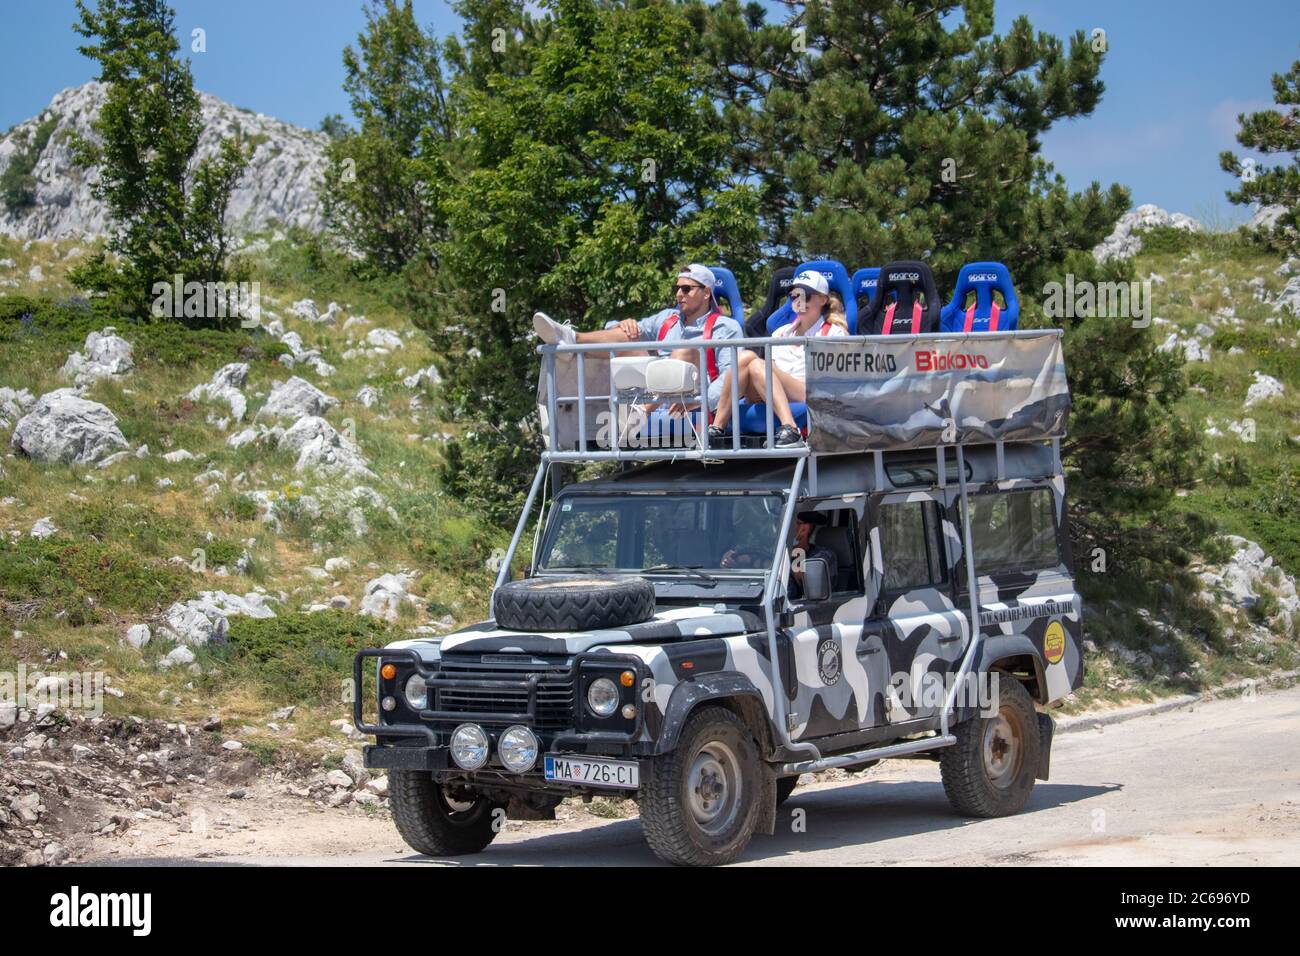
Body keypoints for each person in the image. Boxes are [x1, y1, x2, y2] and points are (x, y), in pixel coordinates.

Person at [532, 264, 742, 413]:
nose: (679, 294)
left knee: (683, 351)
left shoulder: (726, 327)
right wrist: (621, 324)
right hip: (654, 388)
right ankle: (572, 338)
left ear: (706, 293)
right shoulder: (667, 318)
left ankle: (643, 412)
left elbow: (731, 374)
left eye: (686, 288)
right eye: (677, 288)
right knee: (629, 336)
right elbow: (618, 334)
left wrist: (703, 402)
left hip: (693, 394)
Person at [707, 269, 848, 448]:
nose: (799, 300)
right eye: (795, 295)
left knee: (756, 363)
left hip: (811, 391)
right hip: (771, 390)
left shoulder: (834, 333)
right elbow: (769, 373)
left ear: (823, 300)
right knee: (746, 358)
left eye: (807, 296)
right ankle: (717, 429)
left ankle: (790, 428)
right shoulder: (780, 333)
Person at [788, 511, 838, 599]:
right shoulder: (773, 556)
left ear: (805, 529)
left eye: (796, 523)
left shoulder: (823, 556)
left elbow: (820, 593)